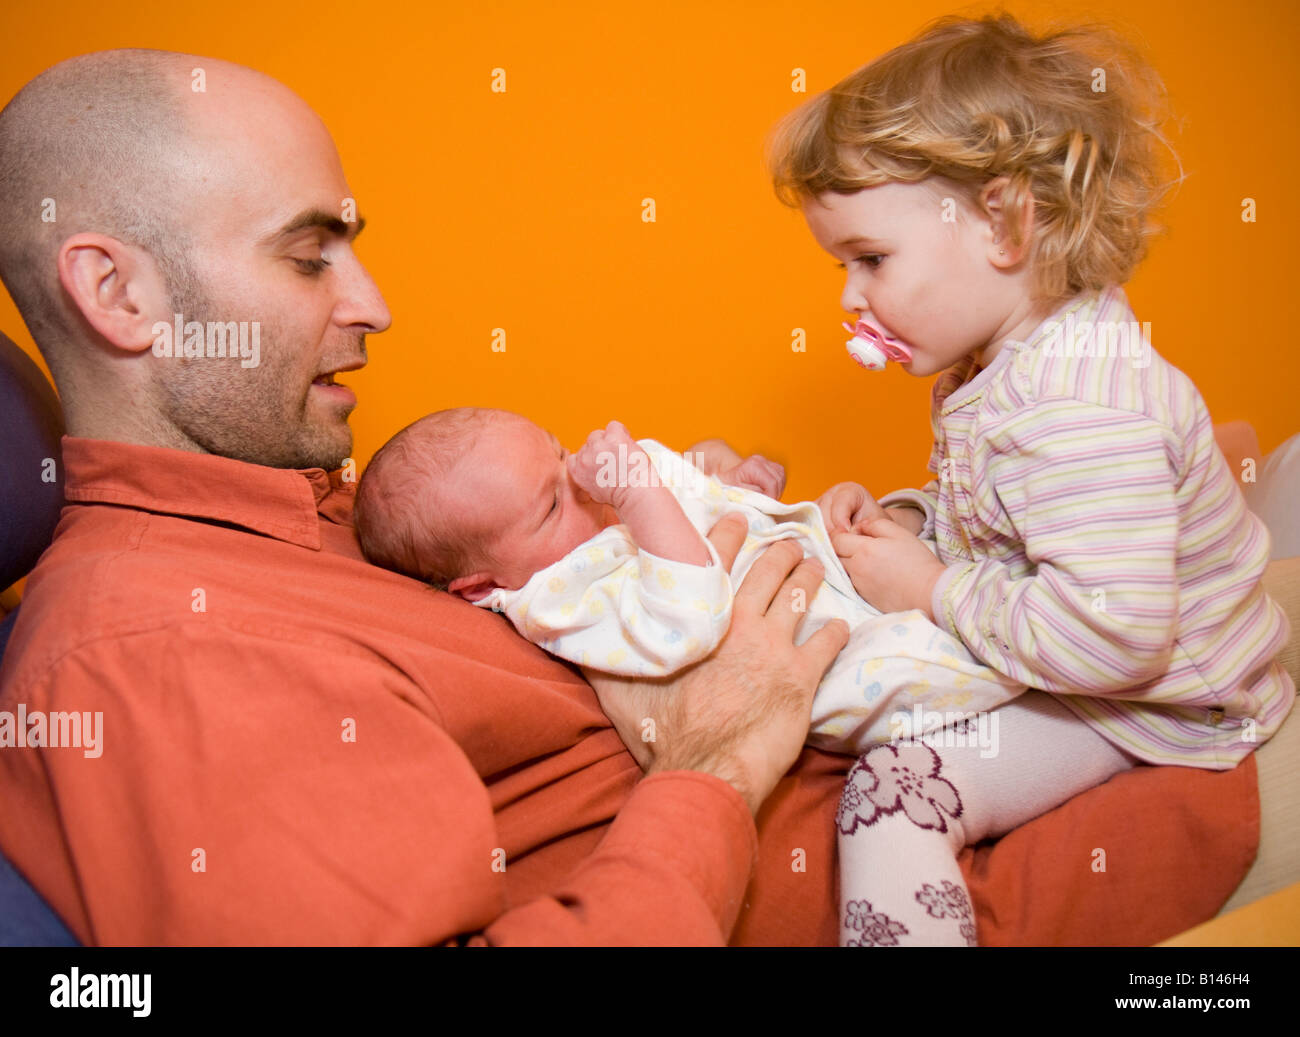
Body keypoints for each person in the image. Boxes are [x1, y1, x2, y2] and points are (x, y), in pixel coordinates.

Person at [0, 46, 1259, 947]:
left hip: (1029, 702)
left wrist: (689, 503)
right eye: (308, 248)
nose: (375, 301)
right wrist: (715, 766)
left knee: (1250, 518)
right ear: (121, 295)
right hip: (1079, 802)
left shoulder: (302, 513)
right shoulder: (163, 646)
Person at [766, 12, 1295, 944]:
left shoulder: (1076, 407)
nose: (848, 297)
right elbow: (1006, 518)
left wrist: (930, 590)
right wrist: (910, 523)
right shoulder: (1002, 365)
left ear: (1006, 223)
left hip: (1154, 702)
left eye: (870, 259)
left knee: (891, 789)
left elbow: (1116, 640)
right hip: (1094, 654)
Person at [354, 408, 1024, 750]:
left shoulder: (584, 525)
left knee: (940, 535)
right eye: (553, 502)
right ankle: (1051, 672)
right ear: (481, 587)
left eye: (560, 452)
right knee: (962, 663)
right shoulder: (555, 600)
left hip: (828, 569)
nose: (582, 484)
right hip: (837, 660)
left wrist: (726, 479)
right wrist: (641, 491)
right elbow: (691, 615)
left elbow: (686, 496)